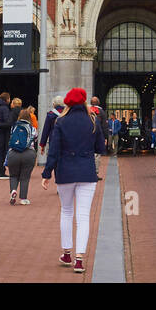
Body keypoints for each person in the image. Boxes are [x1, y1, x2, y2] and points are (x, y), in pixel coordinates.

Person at [41, 87, 107, 273]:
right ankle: (79, 259)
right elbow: (101, 148)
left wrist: (47, 174)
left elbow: (53, 151)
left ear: (68, 103)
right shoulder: (92, 120)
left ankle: (67, 253)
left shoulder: (60, 121)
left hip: (65, 172)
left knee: (67, 211)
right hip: (87, 171)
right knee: (84, 216)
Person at [6, 105, 38, 205]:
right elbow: (35, 139)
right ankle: (23, 198)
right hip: (28, 153)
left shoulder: (14, 127)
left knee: (13, 175)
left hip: (13, 153)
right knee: (25, 176)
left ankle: (13, 191)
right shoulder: (32, 129)